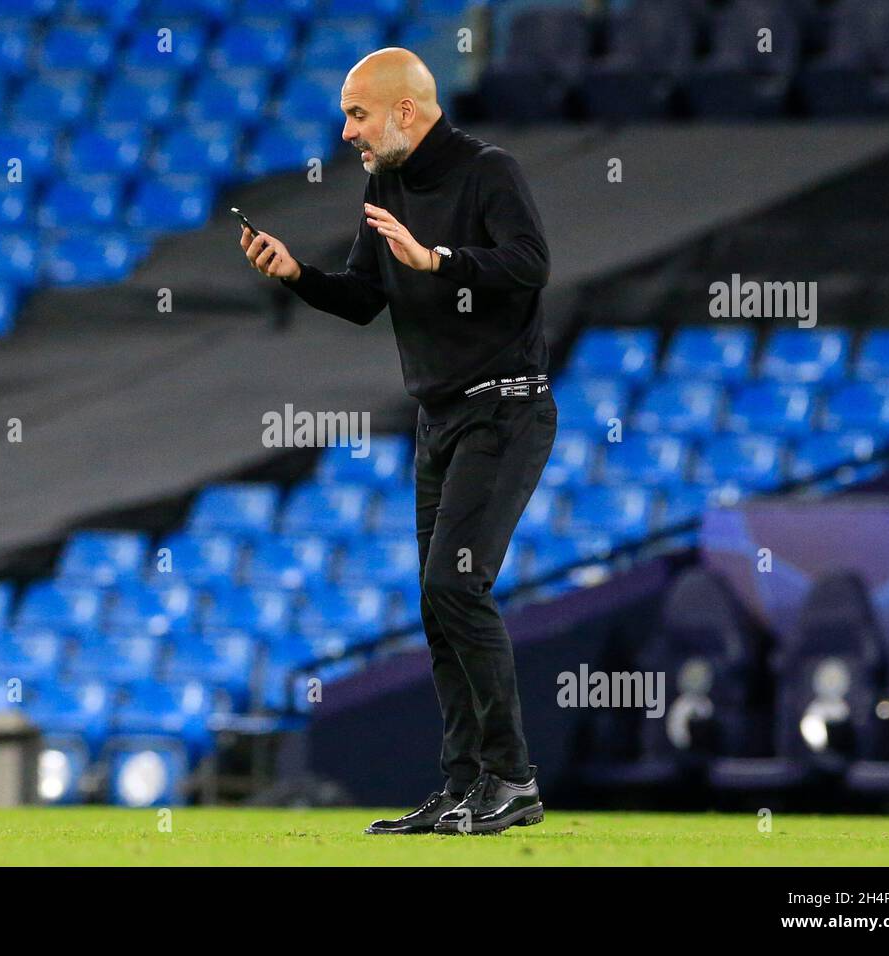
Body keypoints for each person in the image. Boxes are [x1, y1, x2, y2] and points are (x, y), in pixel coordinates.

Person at [238, 48, 557, 835]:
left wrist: (438, 260)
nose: (347, 130)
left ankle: (512, 779)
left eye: (357, 113)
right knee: (436, 604)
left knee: (456, 589)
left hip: (504, 408)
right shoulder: (386, 184)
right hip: (440, 419)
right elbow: (362, 298)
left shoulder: (489, 172)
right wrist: (295, 275)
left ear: (405, 111)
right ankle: (460, 785)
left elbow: (529, 265)